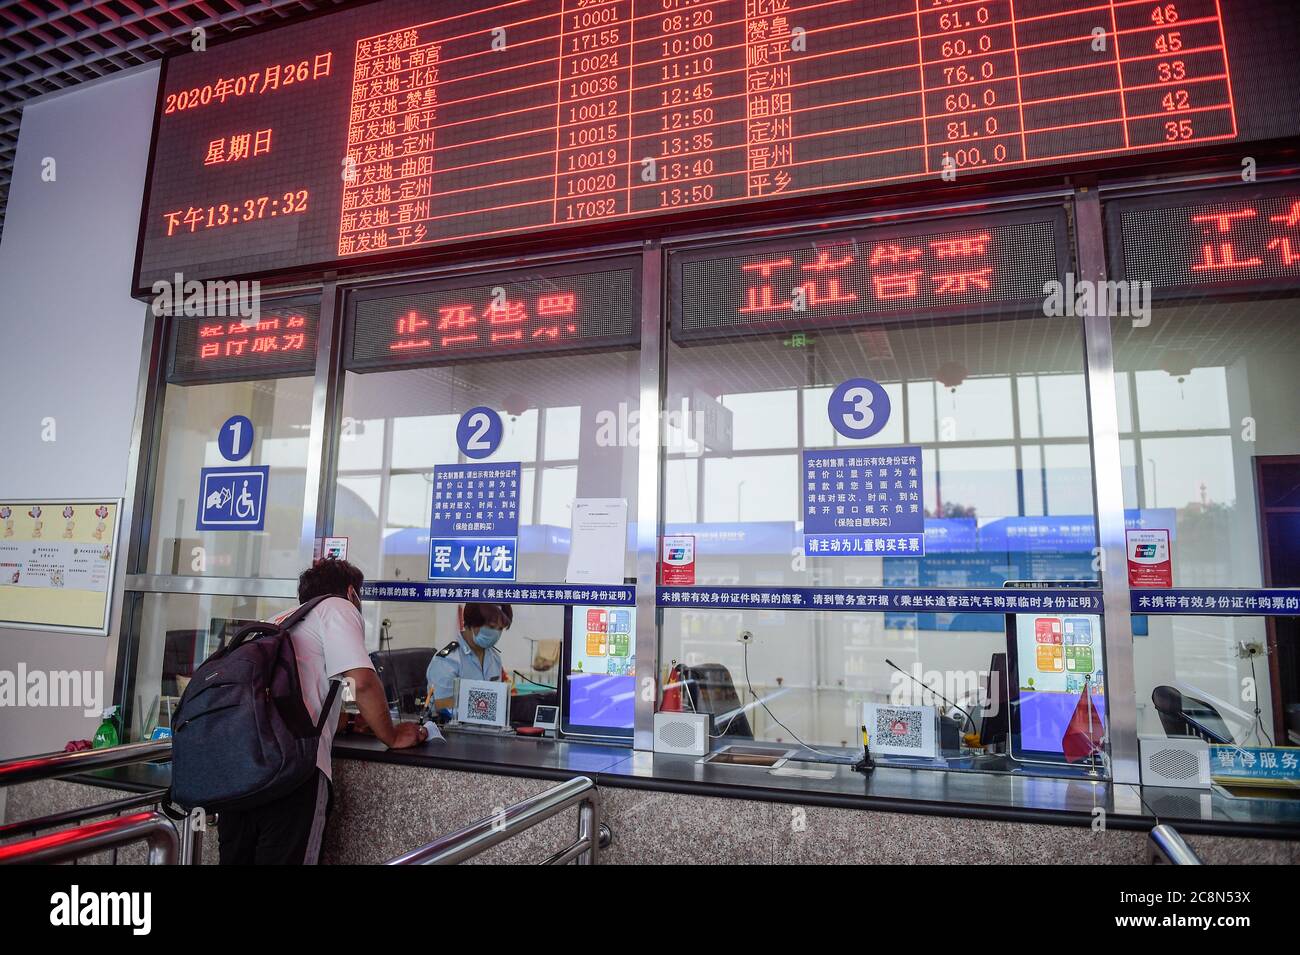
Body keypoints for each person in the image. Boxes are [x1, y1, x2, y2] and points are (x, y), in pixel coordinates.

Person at [217, 558, 426, 865]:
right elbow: (363, 682)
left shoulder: (277, 622)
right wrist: (392, 735)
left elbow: (299, 695)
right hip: (290, 775)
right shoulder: (338, 607)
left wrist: (352, 722)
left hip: (239, 772)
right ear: (352, 592)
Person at [426, 602, 514, 719]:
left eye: (500, 629)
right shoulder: (447, 661)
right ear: (472, 622)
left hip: (488, 729)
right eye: (492, 626)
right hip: (452, 731)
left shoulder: (494, 657)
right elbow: (442, 706)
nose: (496, 633)